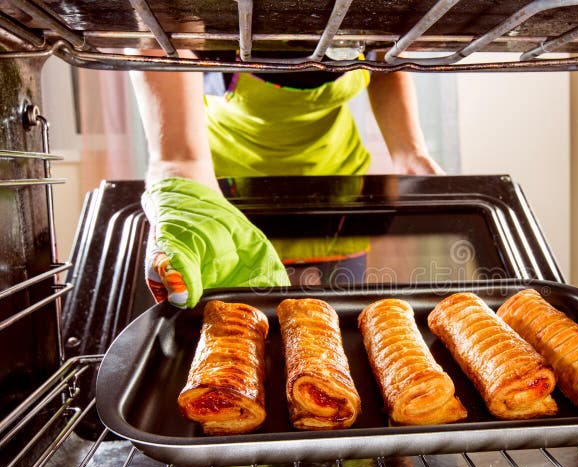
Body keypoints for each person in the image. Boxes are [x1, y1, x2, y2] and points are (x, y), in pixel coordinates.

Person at [130, 50, 443, 308]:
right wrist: (181, 174)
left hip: (340, 199)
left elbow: (385, 59)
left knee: (336, 325)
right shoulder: (208, 28)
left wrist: (410, 153)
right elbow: (158, 41)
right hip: (229, 207)